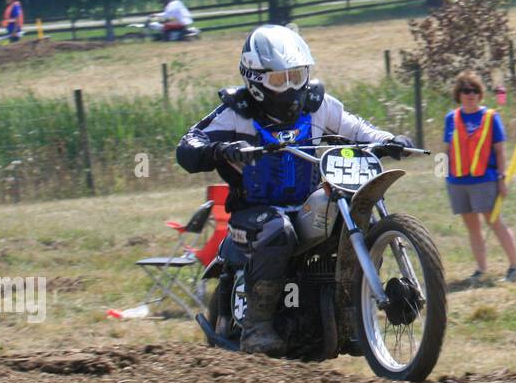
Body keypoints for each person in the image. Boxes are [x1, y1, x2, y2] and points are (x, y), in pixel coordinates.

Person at [175, 24, 413, 355]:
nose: (290, 86)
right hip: (253, 213)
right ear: (255, 80)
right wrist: (220, 150)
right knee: (277, 229)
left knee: (351, 212)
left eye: (297, 75)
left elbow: (358, 128)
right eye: (278, 79)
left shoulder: (318, 105)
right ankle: (257, 328)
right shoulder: (235, 112)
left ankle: (353, 312)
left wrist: (387, 140)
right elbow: (188, 144)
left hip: (305, 203)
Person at [443, 71, 516, 285]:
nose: (470, 94)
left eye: (474, 90)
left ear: (480, 94)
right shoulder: (451, 118)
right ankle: (481, 269)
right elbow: (447, 150)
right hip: (458, 181)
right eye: (465, 91)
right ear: (459, 94)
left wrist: (501, 178)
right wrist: (446, 175)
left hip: (485, 179)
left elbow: (499, 150)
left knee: (495, 223)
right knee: (472, 227)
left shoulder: (491, 117)